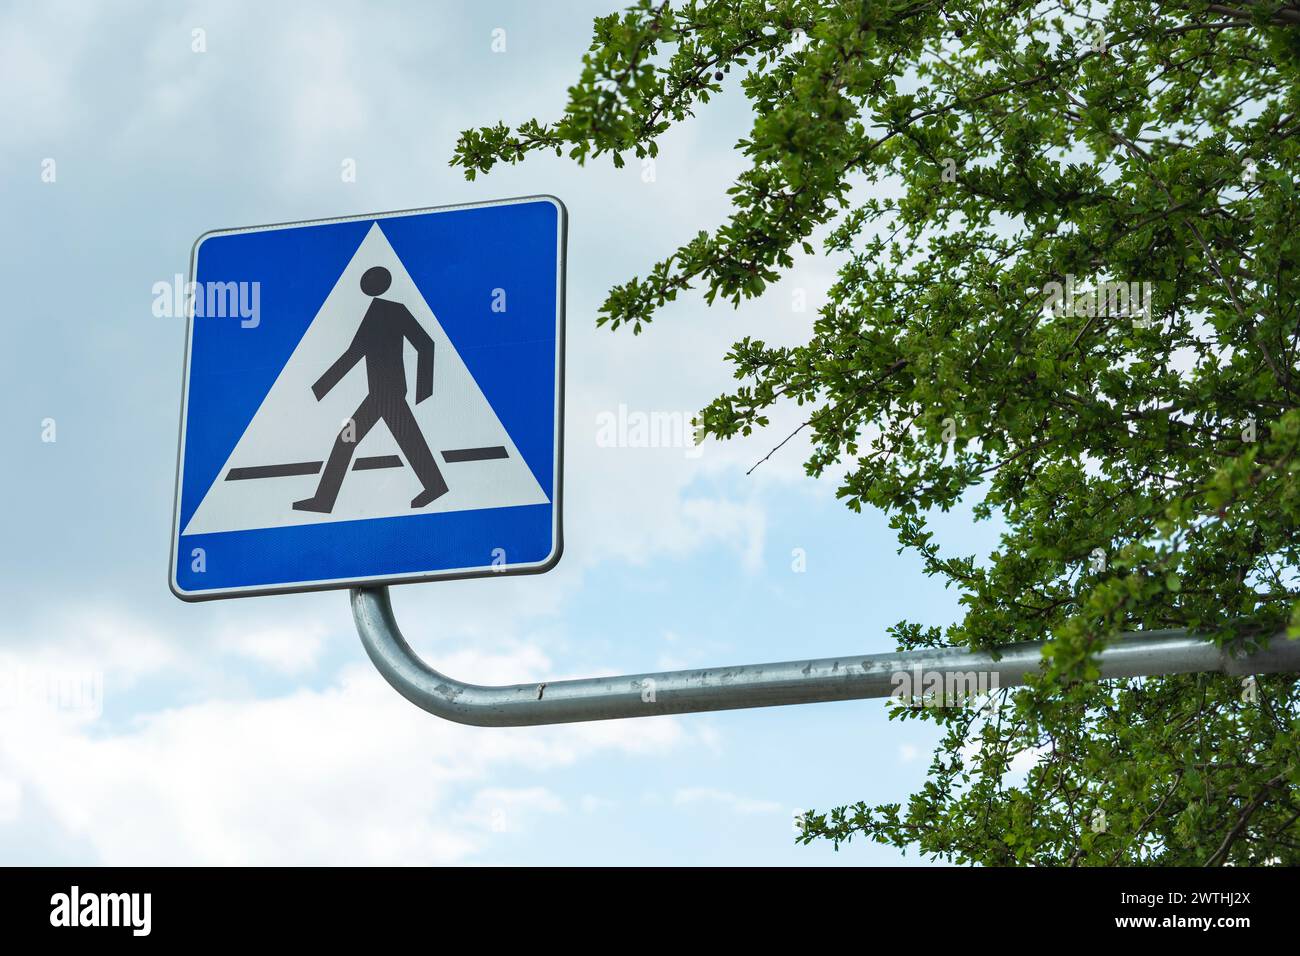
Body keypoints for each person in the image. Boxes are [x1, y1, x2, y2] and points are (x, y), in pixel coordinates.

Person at [292, 266, 449, 513]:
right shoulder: (373, 313)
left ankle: (324, 500)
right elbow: (354, 354)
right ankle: (435, 485)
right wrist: (319, 389)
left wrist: (424, 390)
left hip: (390, 393)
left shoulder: (394, 311)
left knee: (349, 440)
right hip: (379, 394)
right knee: (406, 440)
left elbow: (425, 344)